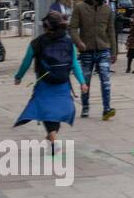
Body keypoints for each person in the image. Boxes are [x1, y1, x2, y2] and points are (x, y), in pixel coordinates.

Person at [13, 12, 86, 151]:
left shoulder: (37, 42)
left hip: (44, 82)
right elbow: (74, 64)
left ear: (46, 27)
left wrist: (18, 77)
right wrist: (82, 82)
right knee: (57, 112)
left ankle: (52, 138)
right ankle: (52, 136)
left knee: (47, 111)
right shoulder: (68, 42)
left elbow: (26, 61)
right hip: (63, 83)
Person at [70, 0, 117, 120]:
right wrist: (78, 43)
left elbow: (111, 30)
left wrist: (114, 51)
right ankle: (85, 107)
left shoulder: (107, 9)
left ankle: (106, 109)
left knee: (105, 80)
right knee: (86, 81)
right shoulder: (80, 8)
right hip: (87, 50)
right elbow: (72, 28)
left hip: (103, 49)